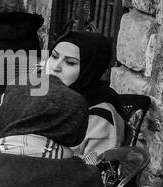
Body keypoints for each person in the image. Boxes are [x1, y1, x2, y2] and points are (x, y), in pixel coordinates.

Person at [46, 30, 123, 161]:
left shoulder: (99, 116)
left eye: (70, 62)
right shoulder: (43, 96)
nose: (56, 67)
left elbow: (93, 170)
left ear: (89, 69)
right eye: (54, 56)